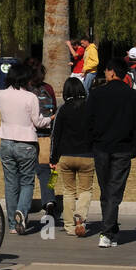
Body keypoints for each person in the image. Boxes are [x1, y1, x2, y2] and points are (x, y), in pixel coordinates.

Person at [85, 57, 136, 247]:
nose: (104, 74)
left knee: (108, 190)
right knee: (113, 191)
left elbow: (88, 122)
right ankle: (109, 229)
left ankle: (108, 230)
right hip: (122, 148)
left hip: (102, 148)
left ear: (112, 72)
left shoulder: (96, 94)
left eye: (105, 71)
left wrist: (92, 143)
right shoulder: (133, 96)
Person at [0, 62, 48, 234]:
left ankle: (12, 223)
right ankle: (21, 211)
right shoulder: (30, 97)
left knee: (10, 183)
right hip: (26, 142)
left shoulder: (1, 94)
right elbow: (38, 121)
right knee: (27, 182)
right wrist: (51, 118)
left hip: (6, 141)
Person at [49, 77, 93, 237]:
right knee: (86, 190)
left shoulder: (63, 109)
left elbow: (55, 135)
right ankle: (80, 214)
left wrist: (53, 159)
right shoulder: (90, 108)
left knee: (68, 192)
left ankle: (69, 226)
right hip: (87, 155)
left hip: (66, 156)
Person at [28, 63, 58, 217]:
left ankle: (24, 203)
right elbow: (55, 108)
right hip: (46, 137)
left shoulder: (26, 89)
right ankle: (50, 200)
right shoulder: (49, 89)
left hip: (29, 136)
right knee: (49, 169)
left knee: (27, 172)